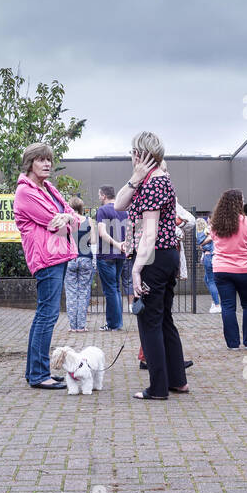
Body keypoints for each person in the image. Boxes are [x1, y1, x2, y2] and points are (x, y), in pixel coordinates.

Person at [115, 131, 189, 399]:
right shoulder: (150, 180)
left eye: (133, 152)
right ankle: (177, 380)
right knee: (164, 319)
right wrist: (134, 178)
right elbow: (119, 203)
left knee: (150, 322)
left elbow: (150, 231)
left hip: (153, 257)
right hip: (163, 256)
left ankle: (158, 388)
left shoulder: (155, 183)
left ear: (139, 154)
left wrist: (136, 269)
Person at [14, 142, 80, 389]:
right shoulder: (25, 191)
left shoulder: (49, 188)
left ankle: (35, 373)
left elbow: (75, 219)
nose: (47, 164)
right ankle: (40, 375)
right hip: (46, 258)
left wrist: (68, 217)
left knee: (46, 315)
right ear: (30, 162)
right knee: (47, 315)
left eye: (49, 160)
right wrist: (65, 218)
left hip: (58, 256)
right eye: (41, 159)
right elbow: (54, 222)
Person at [208, 188, 247, 350]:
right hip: (245, 269)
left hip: (222, 270)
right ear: (239, 203)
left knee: (228, 306)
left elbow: (214, 240)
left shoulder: (215, 224)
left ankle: (233, 343)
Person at [94, 185, 128, 331]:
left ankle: (113, 324)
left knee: (110, 290)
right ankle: (117, 322)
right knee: (116, 289)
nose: (99, 197)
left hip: (107, 255)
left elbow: (101, 233)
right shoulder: (124, 211)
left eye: (99, 195)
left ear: (103, 195)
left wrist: (116, 244)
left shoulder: (102, 210)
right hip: (121, 255)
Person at [65, 196, 97, 332]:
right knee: (84, 292)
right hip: (85, 258)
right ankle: (81, 326)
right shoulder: (89, 220)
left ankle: (73, 326)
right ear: (81, 207)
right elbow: (94, 241)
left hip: (70, 259)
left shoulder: (66, 221)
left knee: (71, 292)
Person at [195, 218, 221, 313]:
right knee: (206, 279)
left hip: (209, 256)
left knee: (211, 281)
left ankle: (217, 304)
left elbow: (203, 244)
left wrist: (202, 245)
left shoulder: (204, 232)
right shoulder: (211, 230)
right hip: (213, 256)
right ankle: (214, 301)